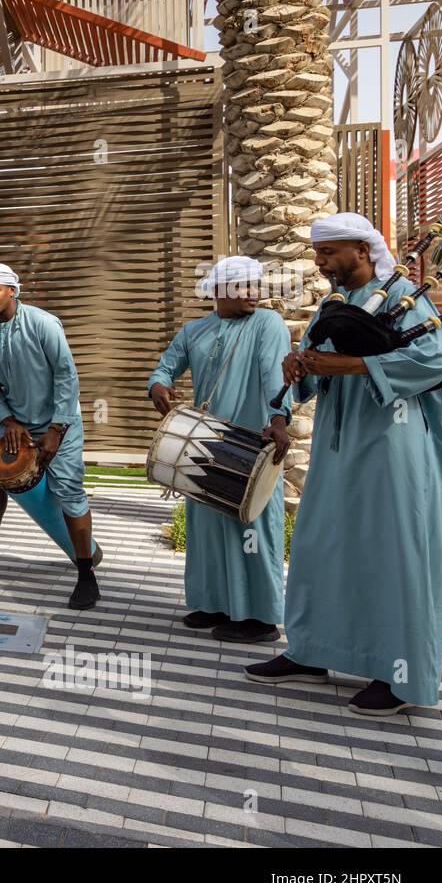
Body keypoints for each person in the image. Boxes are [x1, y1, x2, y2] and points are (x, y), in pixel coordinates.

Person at [246, 213, 442, 716]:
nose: (320, 263)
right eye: (318, 254)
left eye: (329, 253)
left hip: (394, 447)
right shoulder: (331, 306)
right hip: (338, 449)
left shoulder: (405, 297)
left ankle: (401, 677)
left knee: (393, 554)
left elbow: (438, 361)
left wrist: (355, 364)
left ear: (362, 250)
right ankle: (313, 650)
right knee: (322, 545)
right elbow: (311, 370)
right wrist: (296, 370)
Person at [148, 256, 291, 643]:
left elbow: (274, 377)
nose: (253, 293)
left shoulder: (268, 324)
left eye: (256, 285)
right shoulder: (196, 330)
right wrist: (158, 386)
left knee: (252, 526)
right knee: (207, 527)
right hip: (204, 442)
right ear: (218, 291)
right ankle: (213, 604)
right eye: (243, 285)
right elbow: (165, 367)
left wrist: (278, 418)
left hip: (252, 445)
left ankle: (260, 617)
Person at [0, 262, 101, 609]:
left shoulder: (43, 324)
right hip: (14, 424)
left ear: (13, 290)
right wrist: (8, 421)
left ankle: (86, 574)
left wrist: (56, 429)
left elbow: (66, 377)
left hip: (61, 422)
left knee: (69, 492)